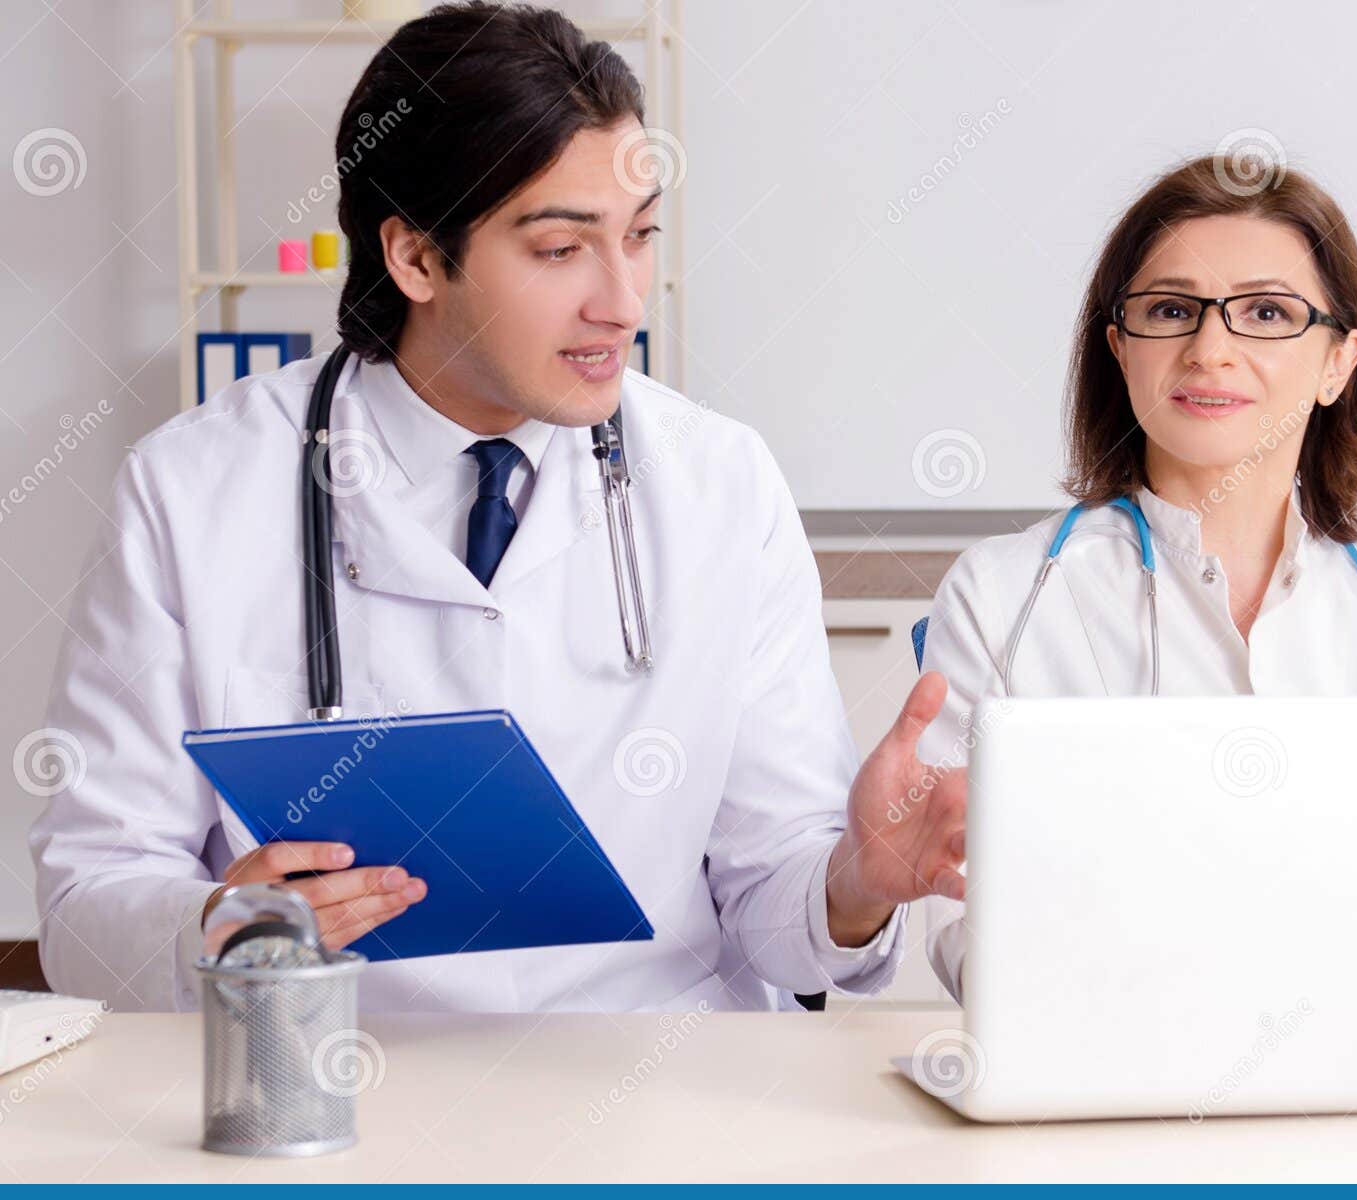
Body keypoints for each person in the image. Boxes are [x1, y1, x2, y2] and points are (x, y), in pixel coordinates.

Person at [29, 2, 965, 1013]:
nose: (621, 300)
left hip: (659, 1100)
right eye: (561, 249)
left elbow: (775, 901)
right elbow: (88, 901)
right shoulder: (192, 491)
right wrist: (211, 929)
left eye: (639, 237)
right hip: (337, 1087)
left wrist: (857, 883)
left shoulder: (720, 483)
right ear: (418, 258)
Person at [917, 155, 1357, 999]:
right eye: (1170, 310)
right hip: (1116, 1091)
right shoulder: (1004, 596)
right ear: (1121, 350)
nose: (1210, 350)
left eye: (1267, 312)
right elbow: (970, 937)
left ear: (1339, 364)